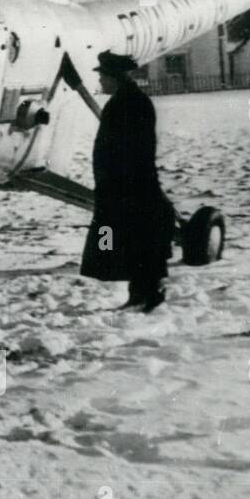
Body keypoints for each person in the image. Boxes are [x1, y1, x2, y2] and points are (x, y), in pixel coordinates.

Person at [80, 52, 175, 312]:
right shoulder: (126, 100)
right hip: (123, 184)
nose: (101, 80)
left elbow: (134, 148)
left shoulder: (130, 103)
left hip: (130, 184)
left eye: (103, 76)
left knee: (140, 239)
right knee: (132, 240)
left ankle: (149, 294)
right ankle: (140, 294)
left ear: (115, 77)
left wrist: (117, 181)